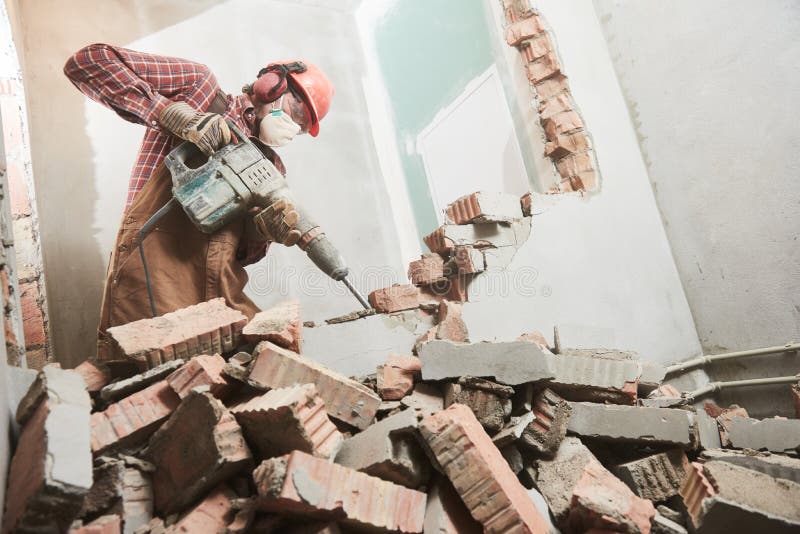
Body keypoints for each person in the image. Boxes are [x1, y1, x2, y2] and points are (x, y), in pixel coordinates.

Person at [63, 44, 334, 363]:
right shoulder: (200, 90)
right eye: (298, 113)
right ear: (272, 84)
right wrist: (168, 113)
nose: (294, 128)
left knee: (274, 368)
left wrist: (262, 231)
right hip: (156, 278)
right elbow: (87, 63)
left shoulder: (272, 168)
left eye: (302, 128)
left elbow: (240, 257)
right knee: (150, 387)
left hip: (219, 300)